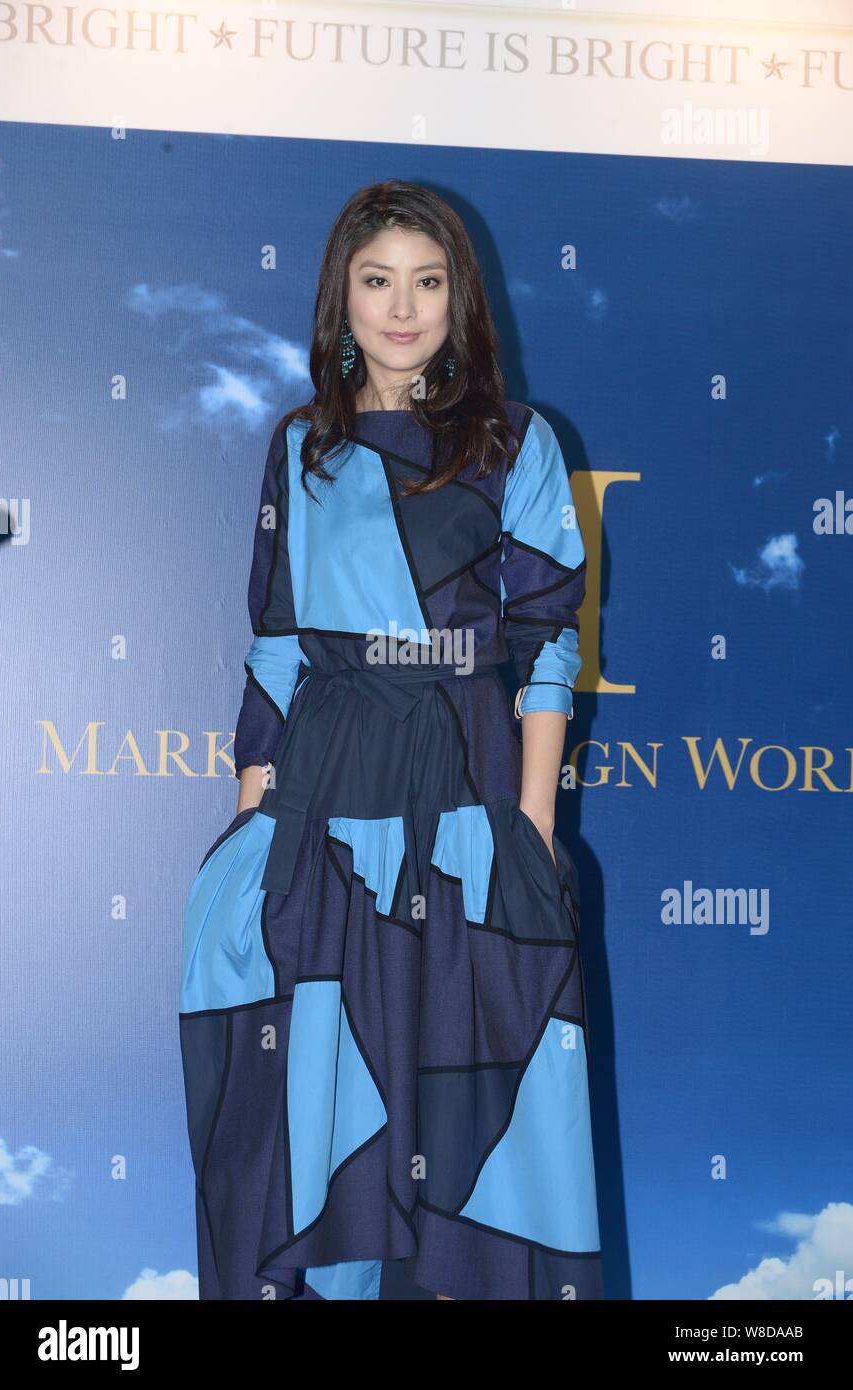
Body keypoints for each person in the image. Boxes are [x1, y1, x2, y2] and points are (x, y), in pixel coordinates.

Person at [179, 179, 603, 1301]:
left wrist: (533, 828)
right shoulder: (299, 449)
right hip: (323, 800)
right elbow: (274, 646)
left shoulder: (519, 444)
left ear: (459, 298)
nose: (402, 307)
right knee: (308, 1112)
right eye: (377, 282)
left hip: (462, 796)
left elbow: (546, 646)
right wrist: (247, 832)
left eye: (427, 280)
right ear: (342, 297)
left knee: (474, 1112)